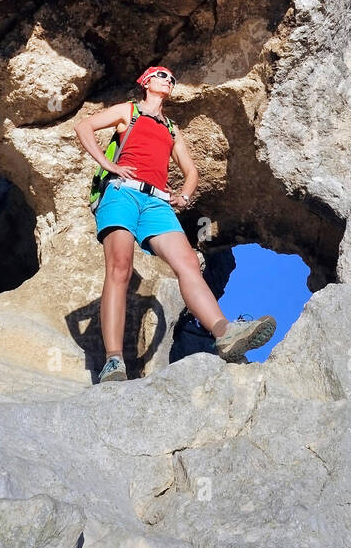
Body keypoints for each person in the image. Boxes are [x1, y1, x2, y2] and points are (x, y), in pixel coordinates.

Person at [75, 64, 276, 382]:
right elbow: (85, 127)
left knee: (189, 265)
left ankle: (224, 333)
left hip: (156, 202)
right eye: (161, 76)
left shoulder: (170, 128)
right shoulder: (129, 112)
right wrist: (108, 164)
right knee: (120, 268)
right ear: (146, 82)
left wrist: (184, 194)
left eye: (171, 78)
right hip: (121, 194)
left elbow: (191, 170)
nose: (168, 81)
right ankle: (114, 361)